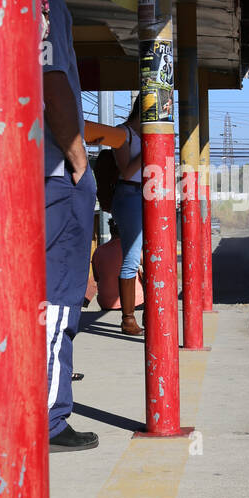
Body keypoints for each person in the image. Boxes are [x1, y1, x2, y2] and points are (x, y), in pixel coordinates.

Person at [40, 0, 99, 452]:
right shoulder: (45, 2)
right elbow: (52, 78)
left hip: (14, 176)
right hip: (54, 175)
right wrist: (77, 155)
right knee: (59, 297)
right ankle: (51, 419)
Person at [111, 96, 144, 335]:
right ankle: (128, 319)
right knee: (132, 258)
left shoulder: (142, 136)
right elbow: (126, 171)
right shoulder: (123, 133)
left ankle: (142, 313)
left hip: (146, 194)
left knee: (147, 257)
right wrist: (150, 150)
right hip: (129, 194)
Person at [91, 222, 144, 312]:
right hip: (134, 302)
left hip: (105, 303)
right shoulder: (133, 248)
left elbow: (96, 278)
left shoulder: (98, 251)